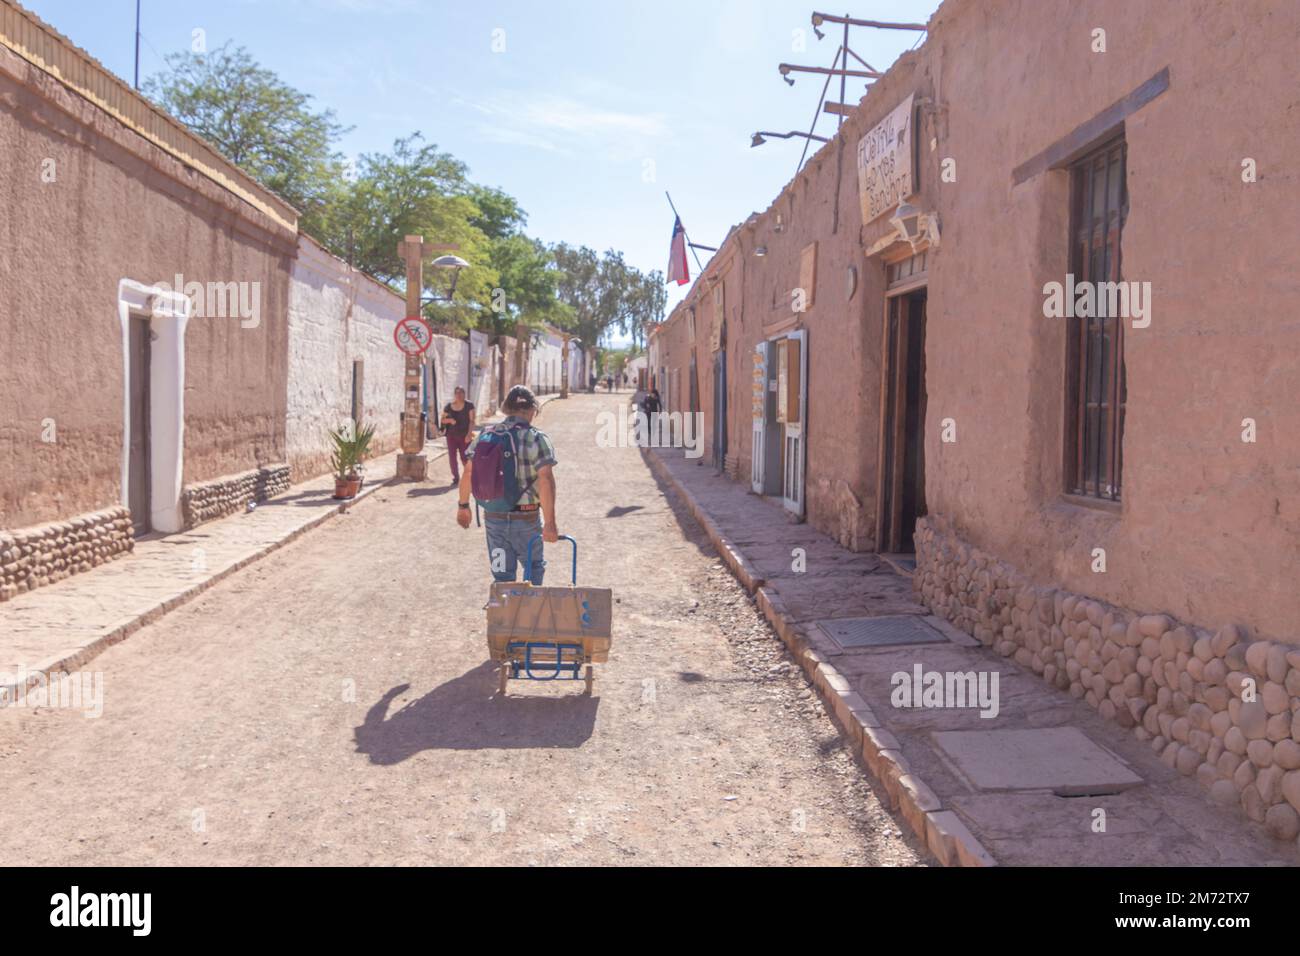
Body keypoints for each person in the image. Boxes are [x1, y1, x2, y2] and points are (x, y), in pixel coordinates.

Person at [456, 385, 559, 584]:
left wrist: (463, 506)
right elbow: (545, 480)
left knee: (501, 575)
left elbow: (468, 472)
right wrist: (550, 524)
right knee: (533, 570)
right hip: (527, 520)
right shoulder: (537, 438)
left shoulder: (486, 435)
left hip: (494, 519)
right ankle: (529, 613)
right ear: (532, 410)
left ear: (506, 409)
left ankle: (503, 612)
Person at [440, 386, 476, 485]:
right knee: (452, 457)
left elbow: (472, 421)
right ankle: (456, 477)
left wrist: (469, 434)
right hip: (451, 436)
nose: (459, 395)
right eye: (457, 393)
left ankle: (468, 475)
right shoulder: (448, 406)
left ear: (464, 394)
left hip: (464, 435)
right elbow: (442, 420)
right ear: (454, 395)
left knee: (465, 457)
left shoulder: (469, 405)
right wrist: (450, 420)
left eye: (461, 393)